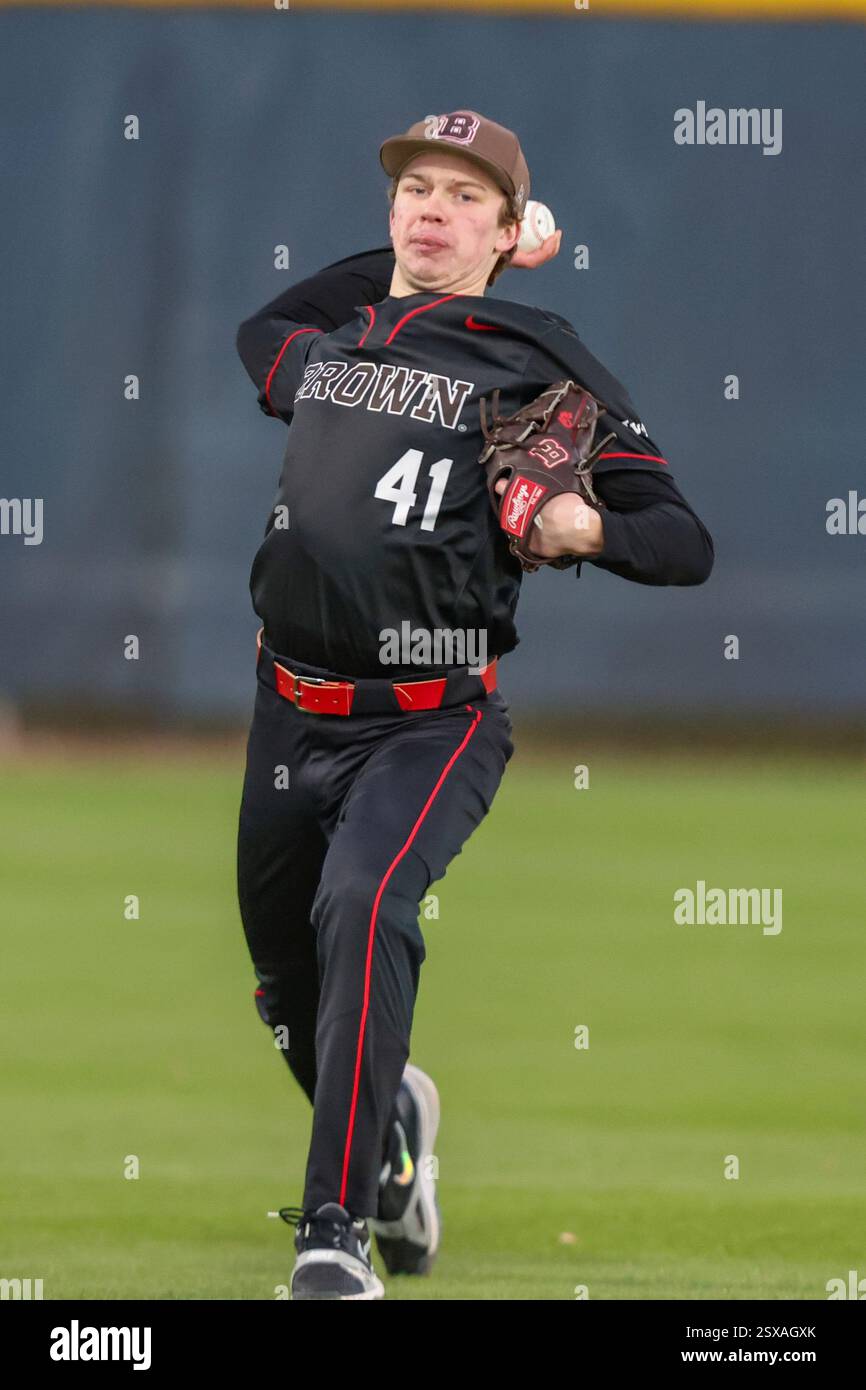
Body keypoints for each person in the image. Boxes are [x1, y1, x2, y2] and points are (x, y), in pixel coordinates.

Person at [235, 109, 714, 1301]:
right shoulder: (331, 340)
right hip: (287, 713)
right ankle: (392, 1122)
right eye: (415, 190)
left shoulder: (535, 358)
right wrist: (464, 260)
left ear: (506, 230)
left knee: (364, 901)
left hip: (428, 718)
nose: (428, 211)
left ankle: (332, 1231)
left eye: (463, 196)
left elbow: (682, 540)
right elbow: (260, 326)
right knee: (285, 989)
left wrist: (586, 524)